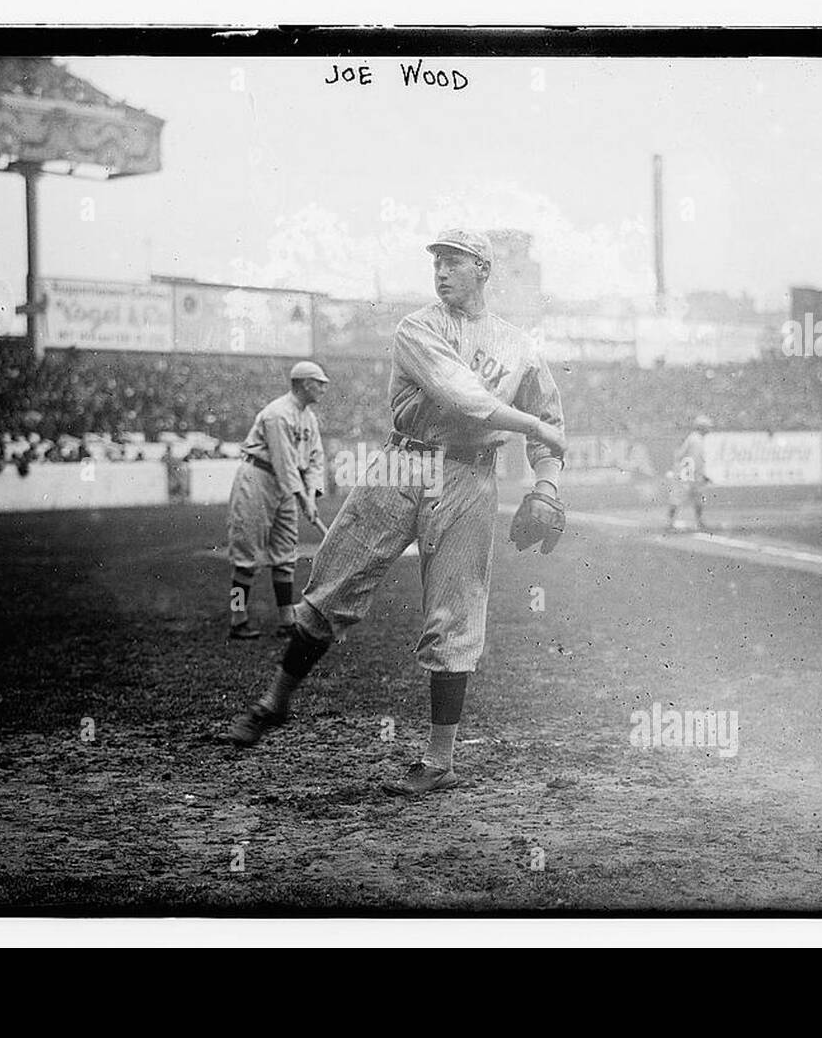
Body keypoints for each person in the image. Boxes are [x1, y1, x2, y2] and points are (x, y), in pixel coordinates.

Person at [227, 228, 568, 797]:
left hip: (470, 473)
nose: (441, 272)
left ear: (483, 269)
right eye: (436, 262)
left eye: (454, 262)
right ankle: (275, 701)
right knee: (331, 588)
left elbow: (550, 426)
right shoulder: (418, 328)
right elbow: (465, 396)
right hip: (403, 464)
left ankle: (439, 761)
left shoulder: (518, 345)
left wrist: (548, 487)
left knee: (455, 613)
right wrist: (532, 426)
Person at [225, 361, 329, 639]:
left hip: (286, 486)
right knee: (246, 555)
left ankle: (286, 619)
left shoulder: (309, 418)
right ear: (305, 383)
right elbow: (283, 462)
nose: (323, 388)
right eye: (319, 383)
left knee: (285, 554)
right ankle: (238, 618)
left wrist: (311, 495)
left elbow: (315, 459)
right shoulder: (277, 414)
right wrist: (301, 497)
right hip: (257, 479)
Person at [666, 415, 713, 531]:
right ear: (701, 427)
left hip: (689, 474)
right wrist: (699, 475)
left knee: (695, 498)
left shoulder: (695, 438)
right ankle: (670, 522)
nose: (709, 429)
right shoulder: (696, 439)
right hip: (688, 475)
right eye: (707, 427)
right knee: (680, 498)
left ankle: (697, 521)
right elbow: (695, 460)